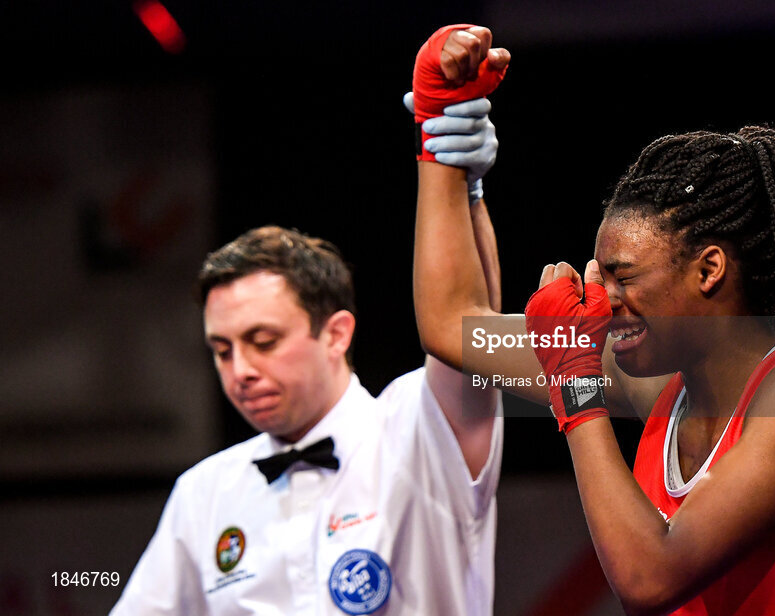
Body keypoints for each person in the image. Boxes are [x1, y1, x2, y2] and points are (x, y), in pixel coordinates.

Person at [413, 27, 775, 616]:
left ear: (709, 269)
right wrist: (443, 143)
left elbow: (650, 579)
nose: (601, 299)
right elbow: (454, 325)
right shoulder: (658, 383)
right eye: (599, 275)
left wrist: (576, 384)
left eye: (624, 276)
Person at [111, 28, 511, 614]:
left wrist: (451, 174)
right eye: (221, 350)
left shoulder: (418, 433)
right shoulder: (204, 494)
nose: (240, 370)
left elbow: (470, 335)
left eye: (263, 341)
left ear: (336, 333)